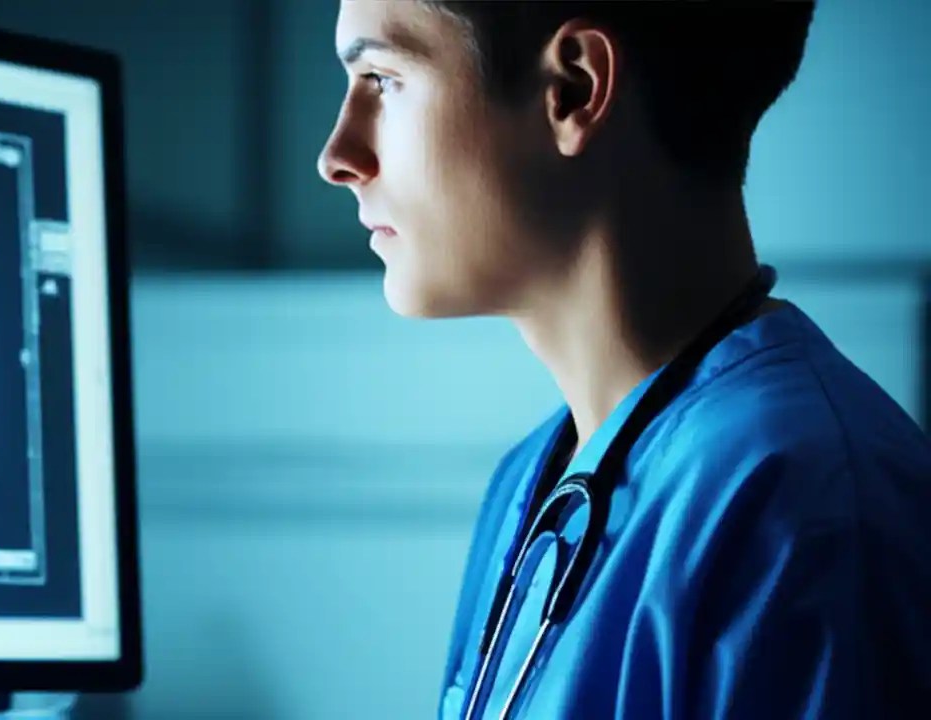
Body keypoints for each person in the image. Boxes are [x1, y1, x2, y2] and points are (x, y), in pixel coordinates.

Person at [315, 1, 931, 718]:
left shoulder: (808, 512)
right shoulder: (529, 486)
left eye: (382, 79)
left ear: (572, 90)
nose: (336, 158)